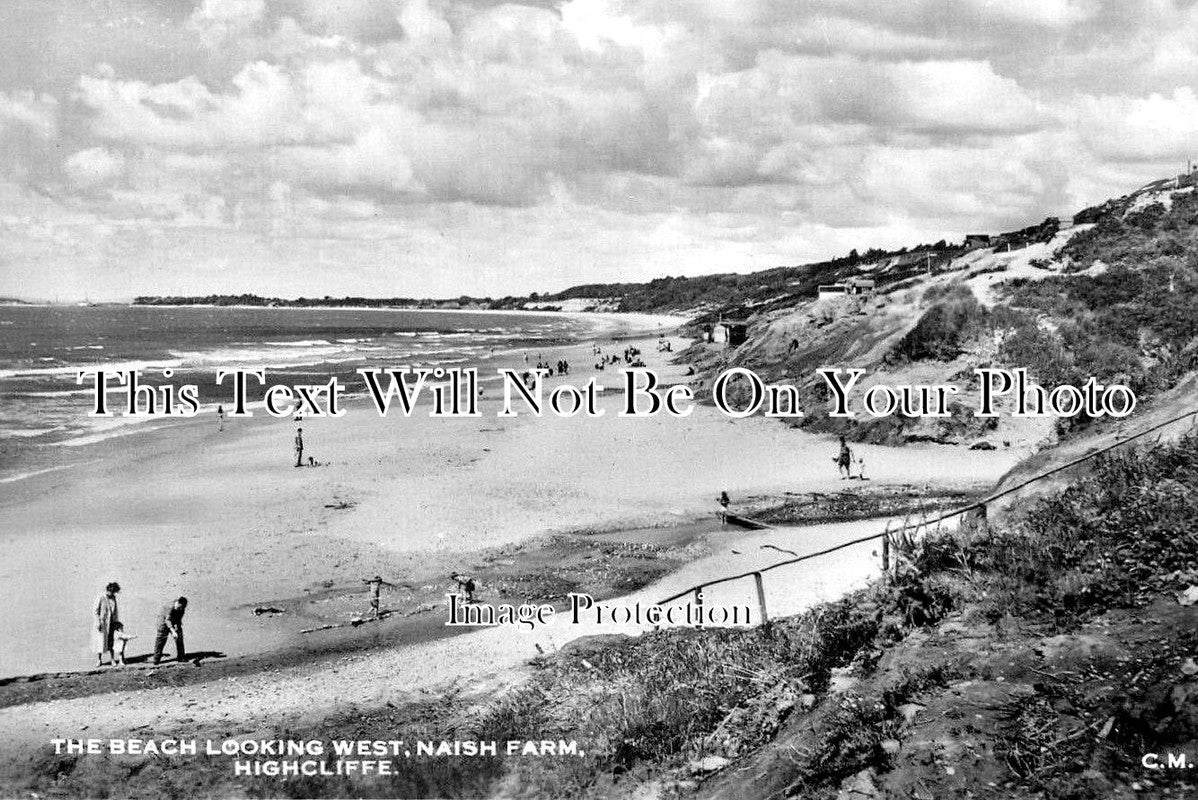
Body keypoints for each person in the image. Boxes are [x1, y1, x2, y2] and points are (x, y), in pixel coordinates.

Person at [92, 582, 120, 667]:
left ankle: (112, 659)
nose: (112, 594)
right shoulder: (101, 597)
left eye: (114, 592)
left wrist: (116, 622)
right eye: (111, 592)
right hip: (102, 623)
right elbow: (95, 611)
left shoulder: (113, 598)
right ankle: (99, 660)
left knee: (111, 642)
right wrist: (98, 622)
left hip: (111, 623)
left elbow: (115, 611)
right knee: (100, 642)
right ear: (108, 590)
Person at [152, 597, 187, 665]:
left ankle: (181, 657)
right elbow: (167, 620)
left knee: (179, 637)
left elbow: (179, 618)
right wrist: (173, 631)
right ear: (177, 603)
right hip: (163, 623)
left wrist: (177, 628)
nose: (180, 609)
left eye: (182, 608)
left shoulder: (182, 608)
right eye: (179, 607)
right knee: (161, 641)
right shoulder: (169, 607)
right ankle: (156, 660)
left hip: (173, 622)